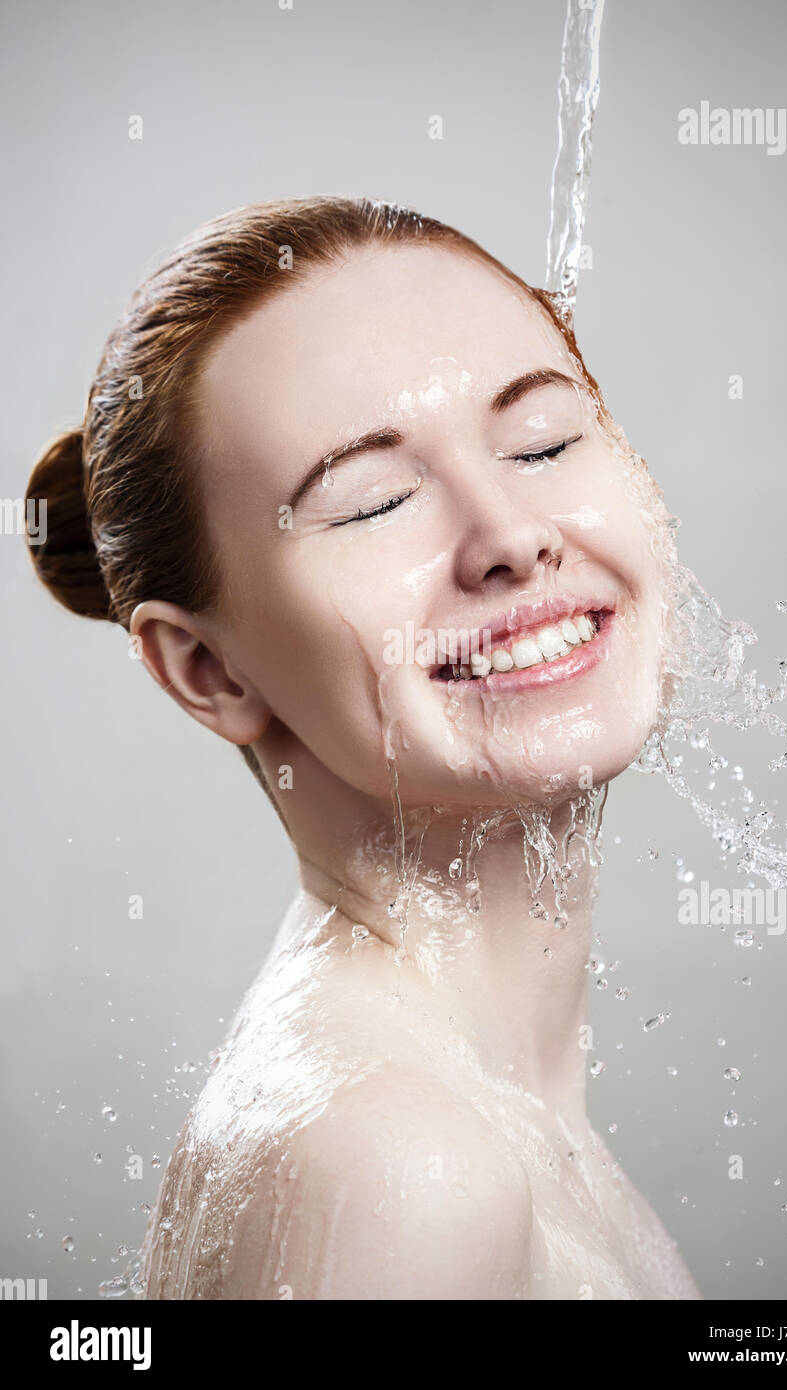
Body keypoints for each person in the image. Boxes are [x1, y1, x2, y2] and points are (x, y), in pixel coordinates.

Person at [25, 196, 700, 1299]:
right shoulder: (396, 1168)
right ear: (209, 669)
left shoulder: (464, 1101)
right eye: (374, 502)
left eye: (545, 439)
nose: (514, 537)